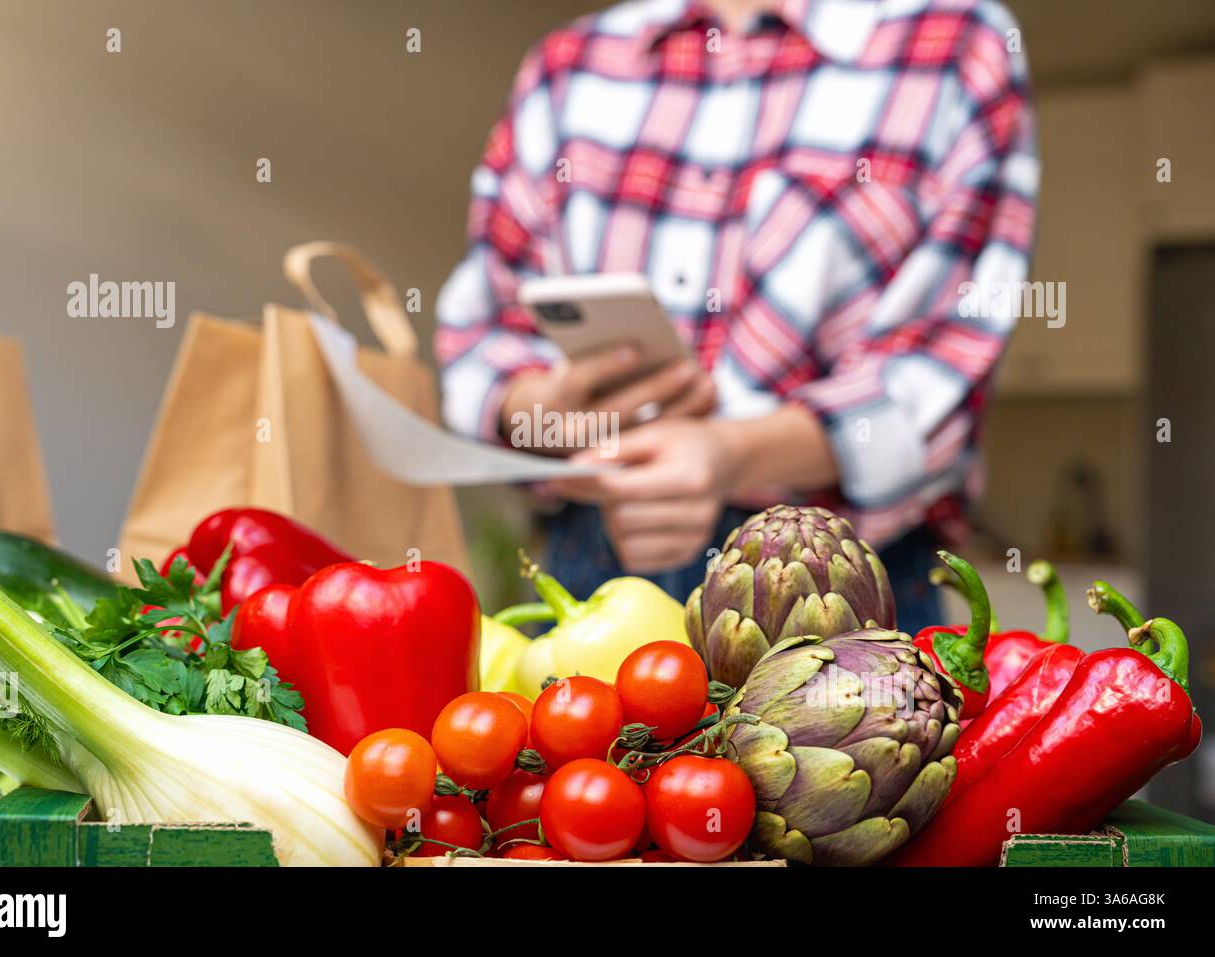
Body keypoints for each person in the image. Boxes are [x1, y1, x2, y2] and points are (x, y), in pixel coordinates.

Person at [435, 0, 1038, 633]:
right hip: (588, 574)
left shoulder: (954, 44)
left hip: (838, 594)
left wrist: (729, 454)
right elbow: (482, 342)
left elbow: (943, 371)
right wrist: (551, 413)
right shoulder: (568, 68)